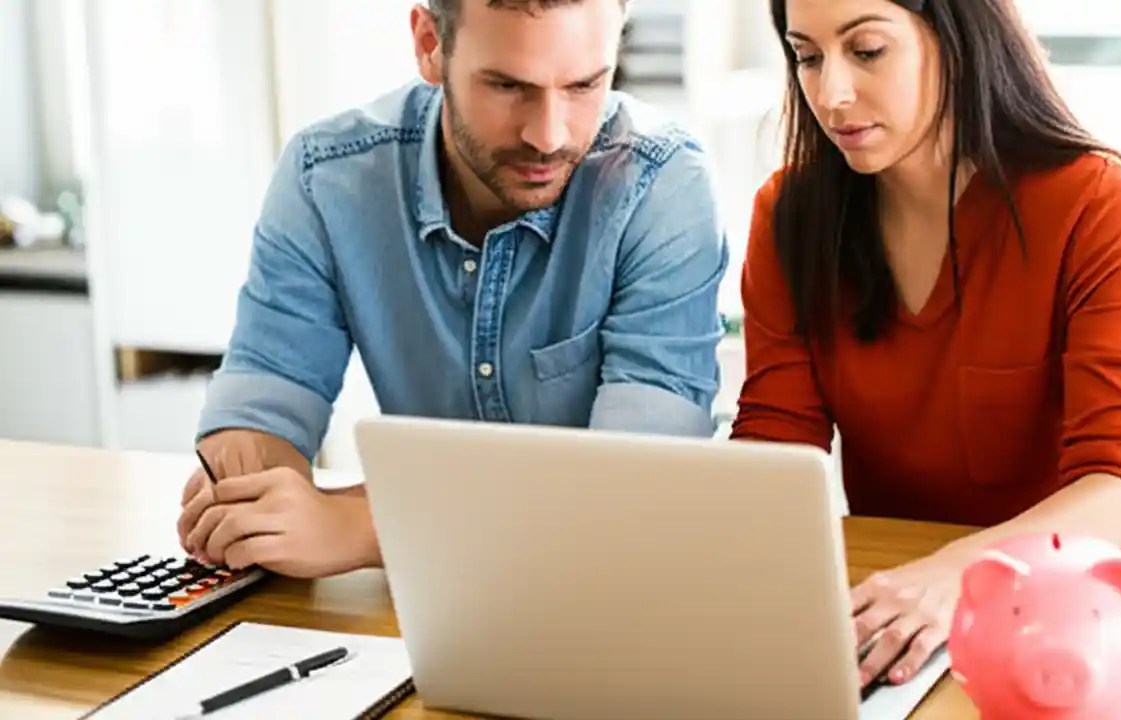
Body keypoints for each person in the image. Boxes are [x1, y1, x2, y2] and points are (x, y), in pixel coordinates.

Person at [177, 0, 728, 580]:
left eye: (585, 84)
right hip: (419, 618)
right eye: (508, 86)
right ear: (428, 44)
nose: (548, 134)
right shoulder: (328, 178)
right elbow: (257, 413)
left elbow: (637, 489)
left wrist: (368, 526)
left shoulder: (662, 186)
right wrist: (252, 497)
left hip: (610, 611)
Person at [733, 0, 1121, 691]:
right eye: (808, 56)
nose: (831, 94)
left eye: (868, 50)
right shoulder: (789, 215)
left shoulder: (1094, 202)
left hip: (1089, 606)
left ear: (957, 35)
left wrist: (959, 574)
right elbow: (775, 441)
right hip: (903, 607)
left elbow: (1119, 482)